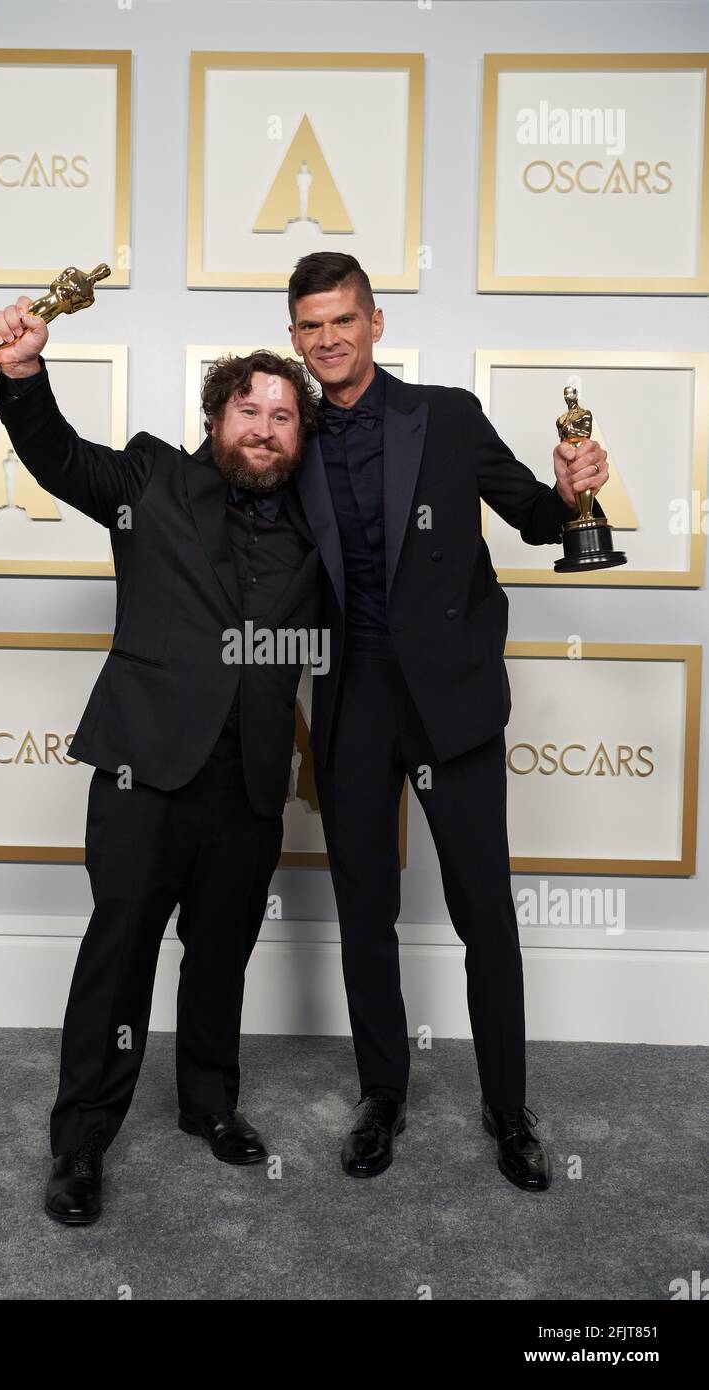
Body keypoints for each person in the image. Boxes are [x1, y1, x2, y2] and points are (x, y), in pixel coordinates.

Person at [0, 298, 323, 1223]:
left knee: (222, 952)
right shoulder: (150, 479)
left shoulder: (322, 529)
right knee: (120, 952)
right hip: (143, 766)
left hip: (250, 775)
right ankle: (82, 1142)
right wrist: (20, 376)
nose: (263, 427)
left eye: (283, 414)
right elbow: (58, 457)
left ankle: (209, 1104)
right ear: (216, 420)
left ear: (301, 434)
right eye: (246, 410)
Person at [286, 252, 610, 1189]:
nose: (329, 339)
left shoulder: (449, 415)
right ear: (296, 338)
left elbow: (537, 520)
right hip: (350, 699)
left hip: (453, 701)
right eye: (310, 326)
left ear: (376, 323)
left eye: (343, 319)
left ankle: (508, 1110)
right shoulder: (284, 430)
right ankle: (381, 1094)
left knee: (484, 913)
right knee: (364, 911)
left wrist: (568, 488)